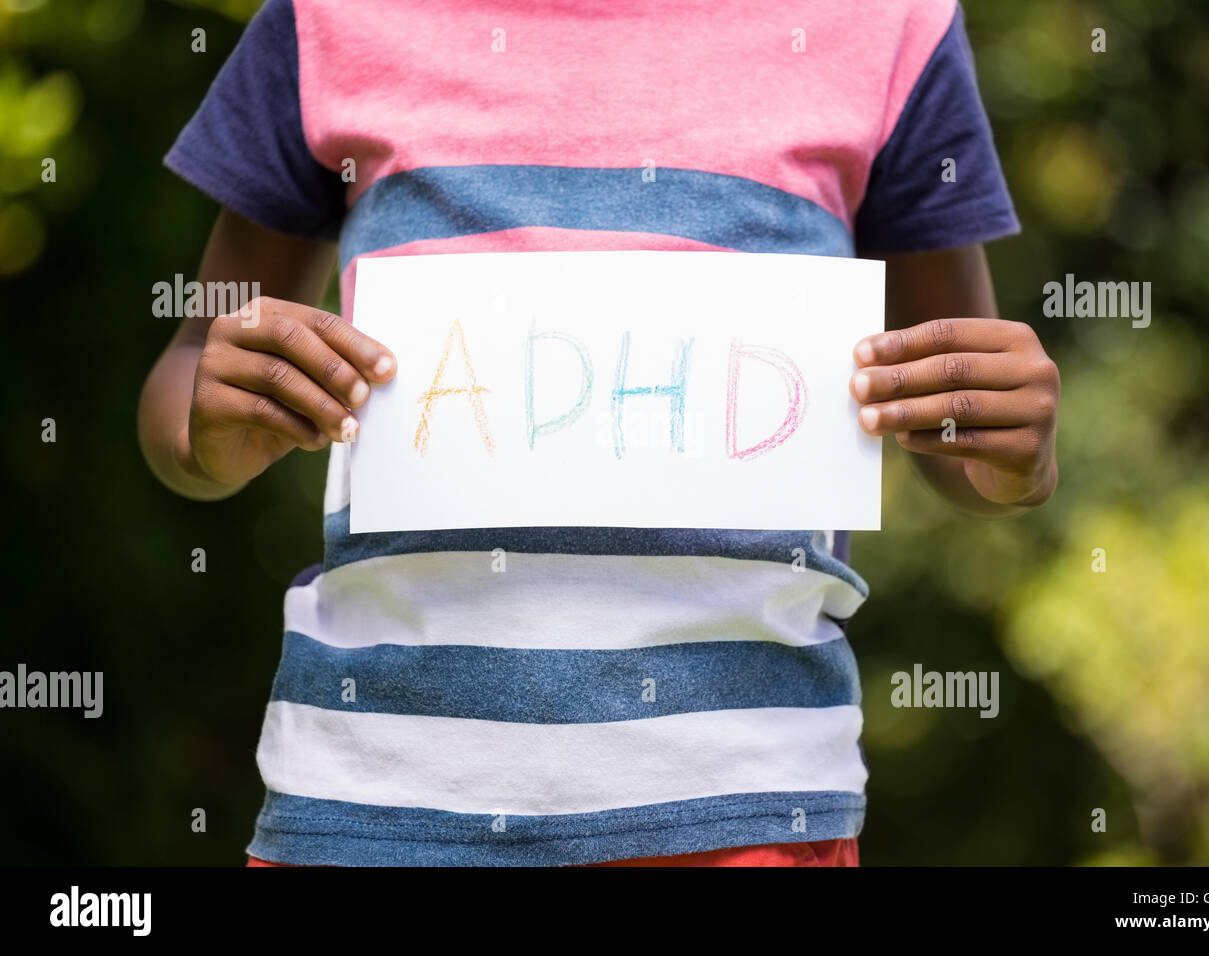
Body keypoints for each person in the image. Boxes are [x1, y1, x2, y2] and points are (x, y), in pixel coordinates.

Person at [138, 0, 1059, 866]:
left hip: (746, 807)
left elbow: (958, 423)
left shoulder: (888, 25)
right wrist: (206, 429)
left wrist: (1010, 457)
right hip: (367, 799)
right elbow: (190, 366)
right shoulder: (326, 19)